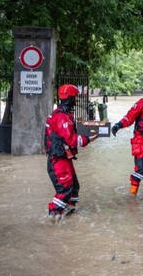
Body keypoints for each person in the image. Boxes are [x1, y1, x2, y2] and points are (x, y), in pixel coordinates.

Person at [44, 84, 92, 218]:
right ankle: (53, 218)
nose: (76, 101)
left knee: (74, 187)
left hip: (63, 157)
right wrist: (88, 139)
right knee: (65, 189)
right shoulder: (61, 117)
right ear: (70, 99)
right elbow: (71, 139)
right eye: (75, 98)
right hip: (57, 159)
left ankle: (69, 216)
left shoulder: (62, 115)